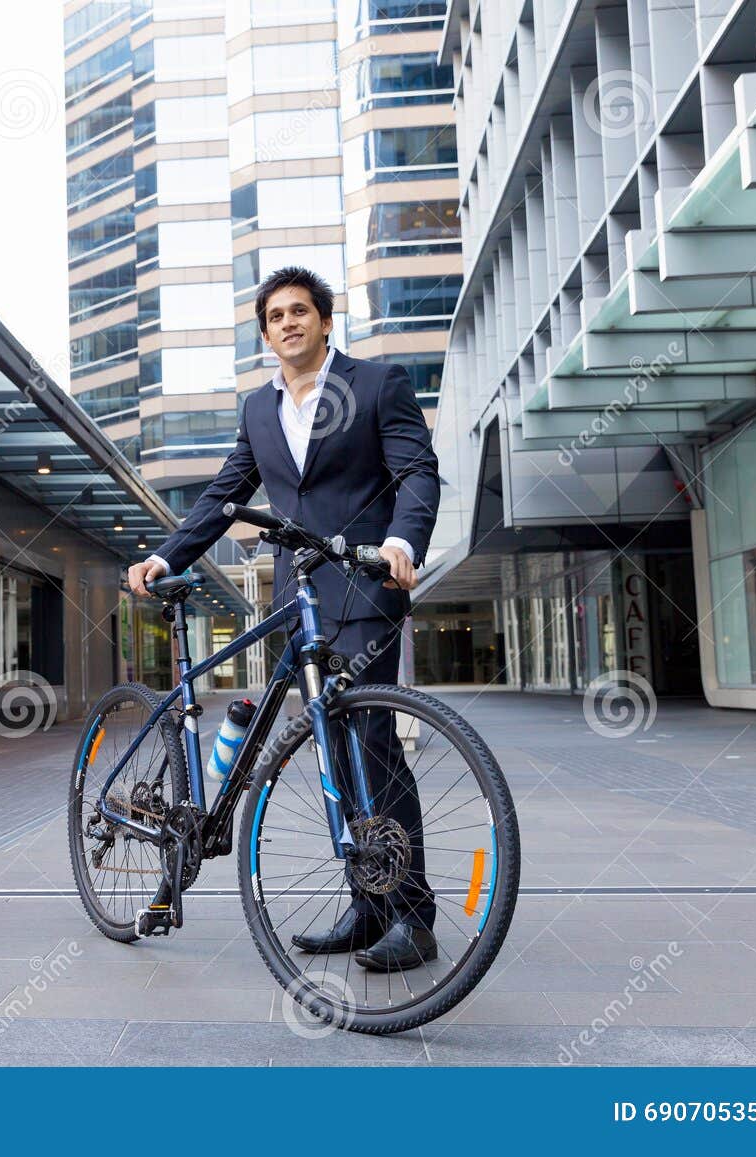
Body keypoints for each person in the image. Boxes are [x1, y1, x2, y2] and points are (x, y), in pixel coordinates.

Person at [126, 266, 441, 971]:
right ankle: (368, 906)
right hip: (297, 603)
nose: (289, 322)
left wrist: (400, 541)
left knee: (371, 744)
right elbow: (225, 495)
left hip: (363, 587)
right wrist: (165, 553)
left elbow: (419, 471)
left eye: (302, 311)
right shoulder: (257, 410)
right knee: (333, 750)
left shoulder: (376, 384)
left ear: (326, 322)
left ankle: (413, 917)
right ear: (266, 332)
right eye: (276, 315)